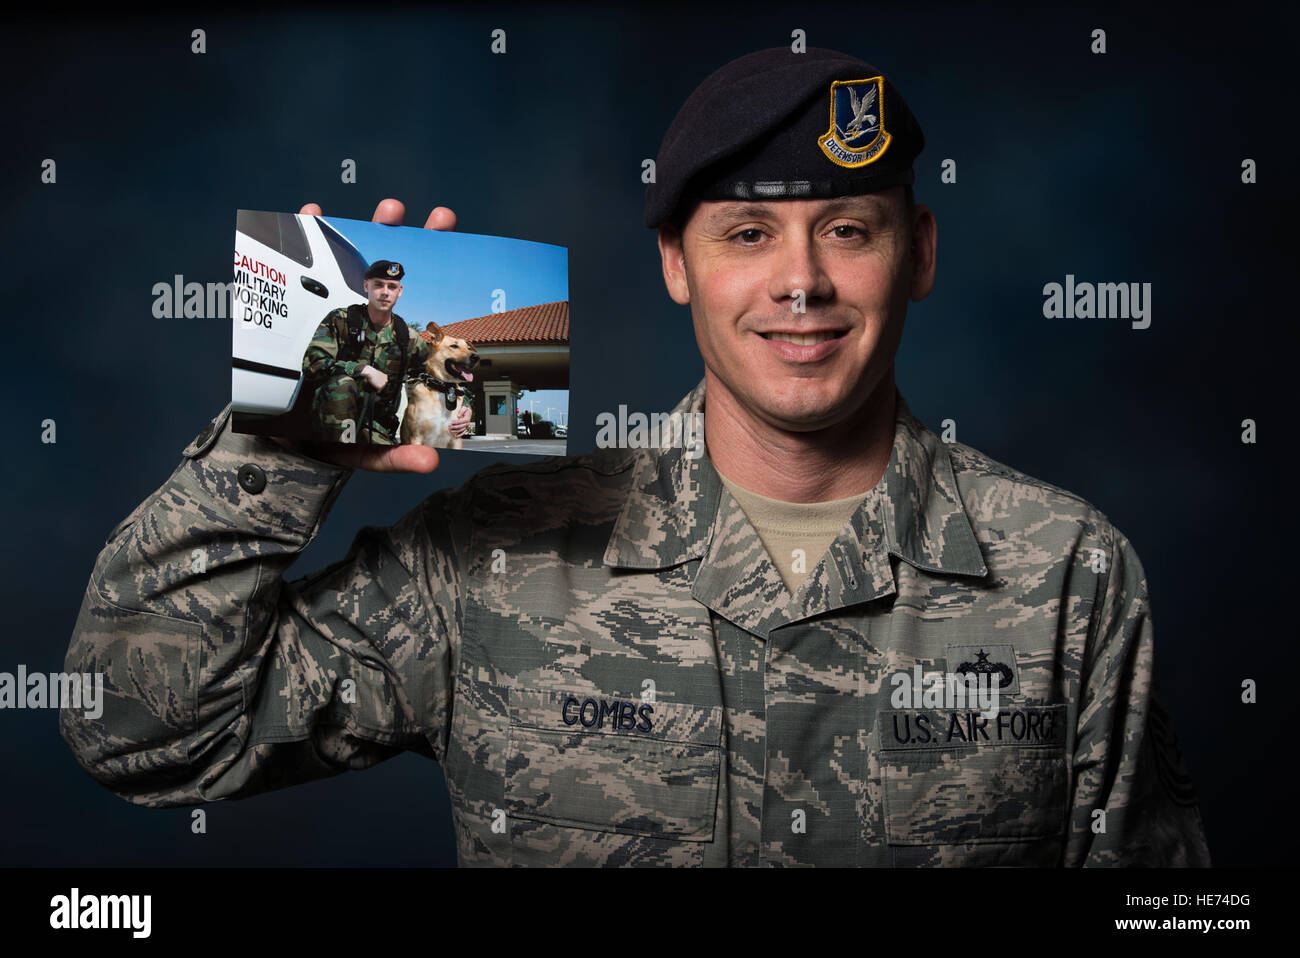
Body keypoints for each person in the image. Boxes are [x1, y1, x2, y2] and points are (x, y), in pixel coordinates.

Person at [60, 46, 1210, 867]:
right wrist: (295, 434)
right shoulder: (494, 556)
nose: (800, 280)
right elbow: (148, 733)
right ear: (676, 264)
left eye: (848, 229)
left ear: (918, 253)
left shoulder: (1066, 574)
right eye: (747, 233)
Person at [302, 259, 472, 445]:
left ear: (400, 292)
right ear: (366, 286)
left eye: (392, 287)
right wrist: (362, 369)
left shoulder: (408, 338)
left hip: (376, 426)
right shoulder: (341, 320)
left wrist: (467, 407)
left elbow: (438, 375)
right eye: (378, 285)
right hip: (331, 420)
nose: (385, 292)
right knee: (342, 383)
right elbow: (312, 365)